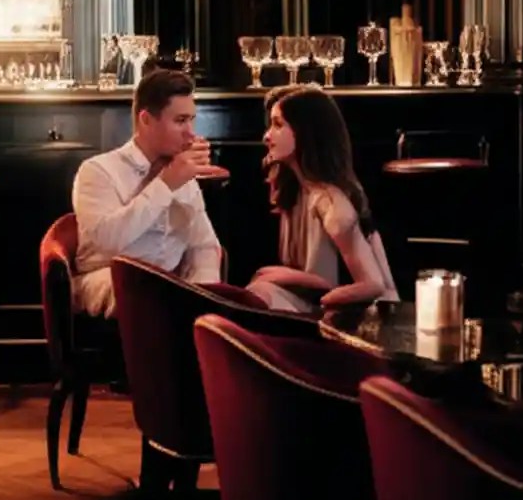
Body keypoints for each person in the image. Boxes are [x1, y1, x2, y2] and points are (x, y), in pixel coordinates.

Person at [71, 69, 222, 317]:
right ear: (146, 120)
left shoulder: (182, 172)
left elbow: (204, 245)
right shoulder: (97, 171)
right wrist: (165, 184)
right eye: (180, 121)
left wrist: (203, 296)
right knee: (141, 291)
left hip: (169, 286)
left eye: (192, 120)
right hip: (106, 278)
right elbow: (108, 241)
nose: (190, 132)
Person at [248, 83, 399, 312]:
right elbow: (316, 278)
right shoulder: (294, 192)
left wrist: (319, 298)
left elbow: (372, 285)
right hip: (315, 304)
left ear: (306, 132)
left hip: (358, 316)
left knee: (263, 293)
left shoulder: (331, 203)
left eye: (278, 125)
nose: (267, 136)